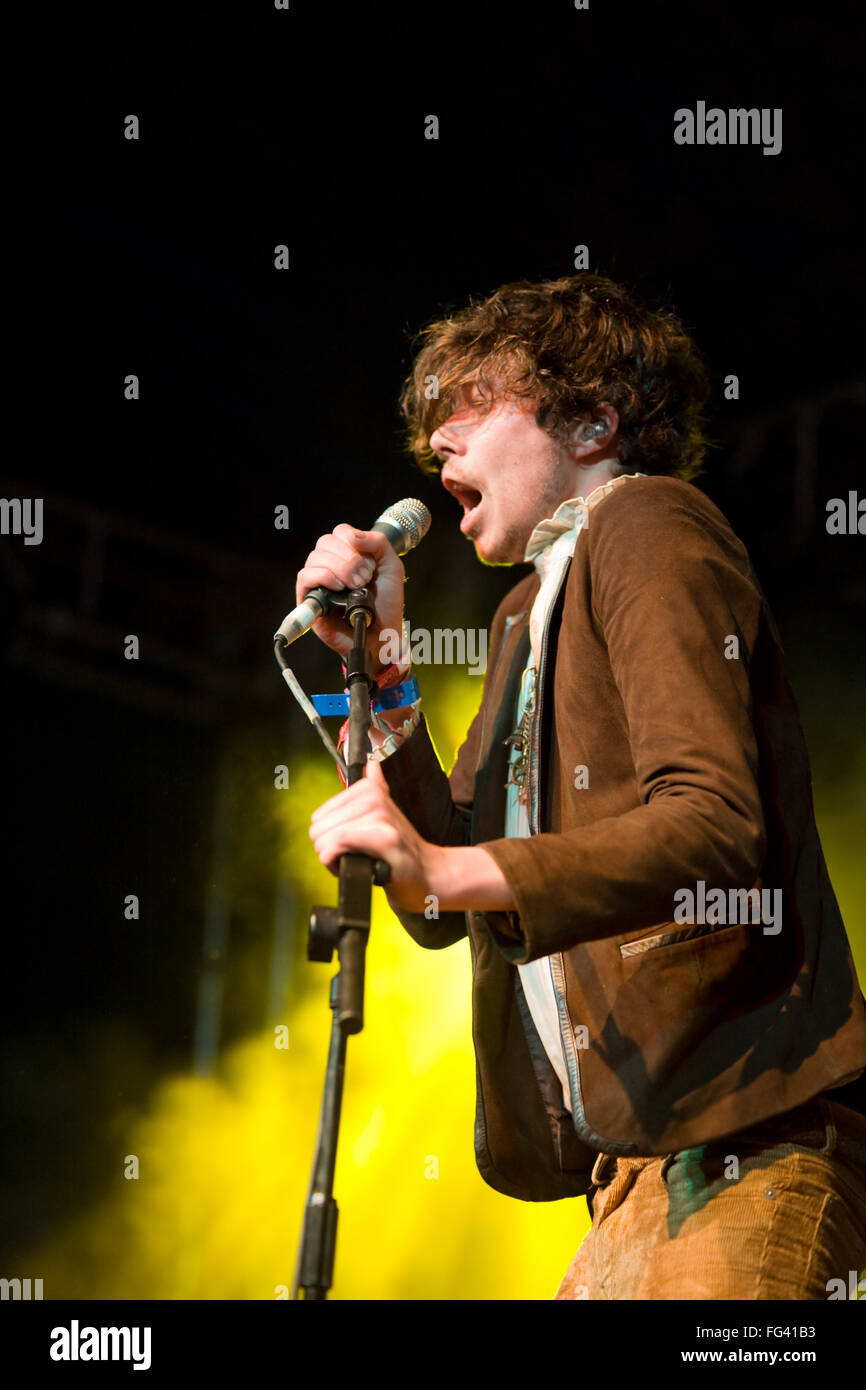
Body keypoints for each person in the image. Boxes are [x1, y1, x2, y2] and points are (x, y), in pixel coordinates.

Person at [299, 273, 866, 1300]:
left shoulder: (647, 523)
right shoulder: (526, 616)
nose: (440, 447)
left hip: (742, 1139)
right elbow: (437, 899)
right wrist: (379, 663)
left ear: (595, 420)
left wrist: (446, 863)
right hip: (629, 1177)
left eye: (471, 409)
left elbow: (712, 821)